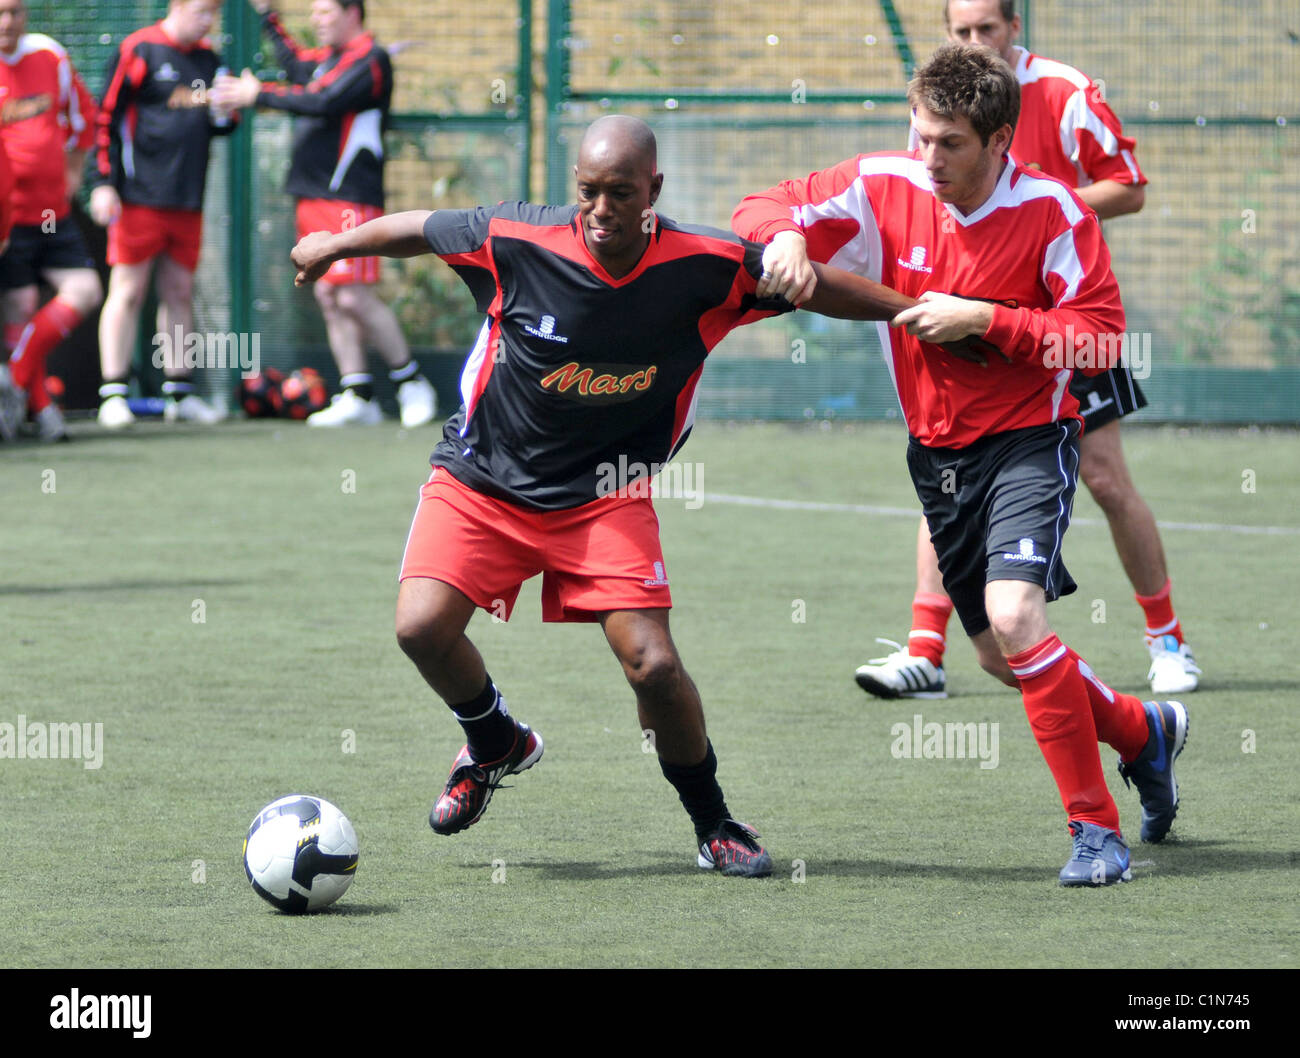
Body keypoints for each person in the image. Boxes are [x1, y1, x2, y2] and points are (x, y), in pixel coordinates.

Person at [289, 115, 985, 876]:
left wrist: (913, 311)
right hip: (481, 478)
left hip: (605, 496)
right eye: (588, 191)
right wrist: (334, 243)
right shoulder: (515, 238)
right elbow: (421, 227)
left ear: (653, 189)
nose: (601, 209)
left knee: (652, 666)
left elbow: (813, 286)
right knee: (420, 629)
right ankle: (495, 740)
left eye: (621, 193)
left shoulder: (705, 267)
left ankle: (715, 823)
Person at [733, 45, 1188, 885]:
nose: (928, 159)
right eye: (920, 137)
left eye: (950, 144)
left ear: (1000, 140)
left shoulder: (1053, 213)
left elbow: (1099, 338)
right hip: (936, 455)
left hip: (1027, 439)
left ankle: (1097, 833)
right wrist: (785, 239)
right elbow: (765, 204)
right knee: (993, 654)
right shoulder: (884, 181)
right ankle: (1141, 732)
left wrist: (990, 318)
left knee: (1016, 619)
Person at [851, 0, 1198, 702]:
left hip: (1056, 315)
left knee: (1103, 475)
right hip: (967, 318)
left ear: (1015, 28)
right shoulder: (942, 110)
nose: (976, 41)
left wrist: (1034, 208)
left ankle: (1167, 641)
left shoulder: (1068, 93)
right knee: (948, 460)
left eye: (988, 29)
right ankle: (926, 651)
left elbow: (1128, 188)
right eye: (962, 31)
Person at [211, 0, 436, 428]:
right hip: (313, 194)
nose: (316, 19)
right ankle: (359, 394)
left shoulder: (371, 60)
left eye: (325, 11)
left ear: (353, 13)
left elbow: (323, 100)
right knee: (328, 293)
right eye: (314, 12)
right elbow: (297, 66)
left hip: (350, 195)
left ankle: (412, 381)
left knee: (353, 293)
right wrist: (268, 18)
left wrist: (259, 94)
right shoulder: (326, 60)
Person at [91, 0, 234, 429]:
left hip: (188, 198)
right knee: (129, 291)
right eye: (201, 10)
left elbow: (222, 125)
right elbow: (105, 117)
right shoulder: (140, 48)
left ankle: (179, 393)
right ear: (177, 6)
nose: (208, 20)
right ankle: (113, 393)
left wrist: (226, 113)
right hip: (138, 197)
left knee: (179, 292)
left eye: (214, 12)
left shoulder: (210, 59)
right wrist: (103, 183)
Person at [0, 0, 101, 442]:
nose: (6, 22)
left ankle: (13, 380)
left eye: (15, 12)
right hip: (7, 218)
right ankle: (43, 414)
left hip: (49, 213)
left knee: (85, 291)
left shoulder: (49, 55)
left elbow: (82, 121)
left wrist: (75, 174)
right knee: (20, 310)